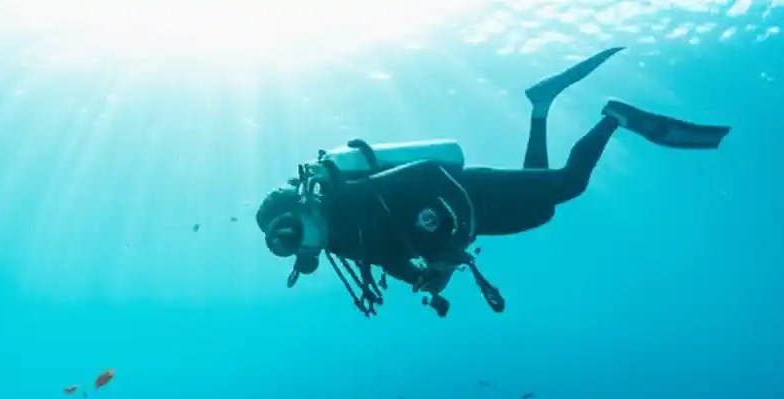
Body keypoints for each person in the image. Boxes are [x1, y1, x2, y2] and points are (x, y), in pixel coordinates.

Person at [255, 47, 731, 318]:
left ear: (302, 206)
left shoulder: (351, 194)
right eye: (283, 246)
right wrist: (423, 276)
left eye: (288, 231)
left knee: (567, 186)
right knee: (542, 211)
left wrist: (454, 238)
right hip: (461, 221)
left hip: (468, 192)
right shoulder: (341, 240)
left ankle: (613, 117)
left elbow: (426, 174)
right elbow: (389, 256)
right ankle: (541, 106)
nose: (294, 245)